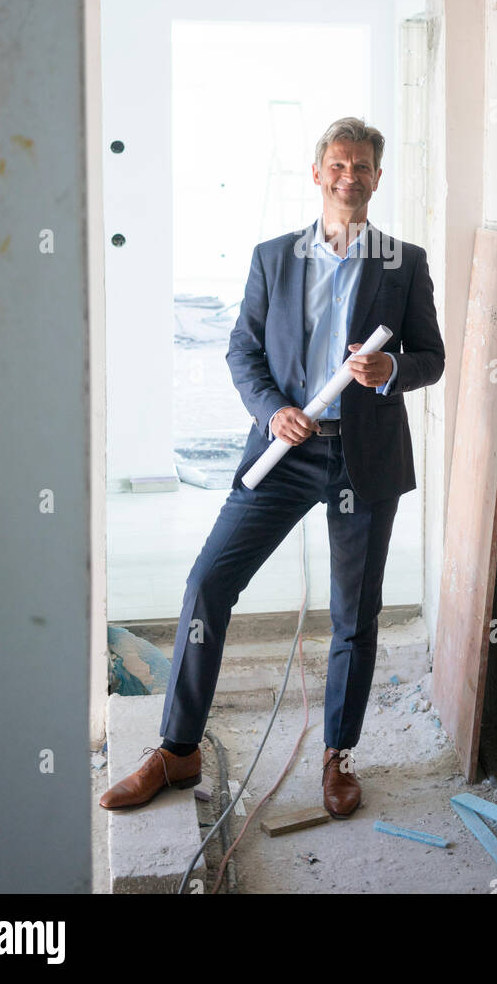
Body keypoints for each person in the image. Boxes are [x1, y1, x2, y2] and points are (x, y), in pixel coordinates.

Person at [100, 116, 445, 818]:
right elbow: (242, 351)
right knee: (207, 583)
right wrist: (268, 412)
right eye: (338, 166)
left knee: (355, 613)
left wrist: (390, 369)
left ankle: (336, 757)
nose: (350, 178)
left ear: (378, 178)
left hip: (365, 459)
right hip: (284, 452)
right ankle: (177, 748)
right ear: (317, 174)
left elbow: (431, 358)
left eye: (363, 168)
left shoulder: (402, 261)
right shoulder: (273, 257)